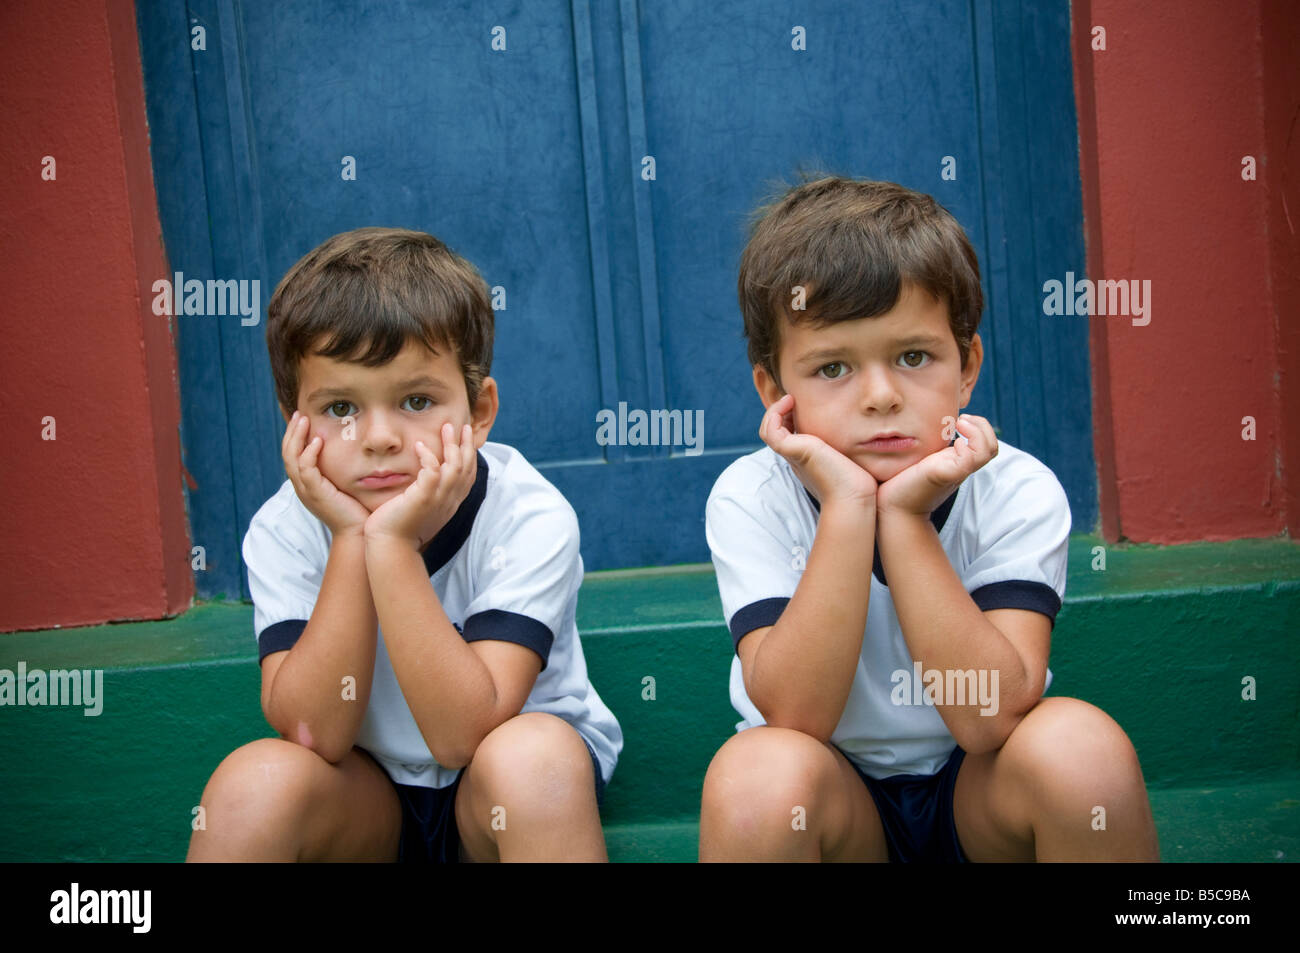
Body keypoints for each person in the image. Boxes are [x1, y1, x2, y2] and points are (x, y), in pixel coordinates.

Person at [700, 176, 1158, 862]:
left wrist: (908, 521)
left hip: (979, 798)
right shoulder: (748, 497)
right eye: (832, 367)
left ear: (966, 366)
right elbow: (796, 716)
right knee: (756, 779)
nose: (881, 396)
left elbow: (989, 715)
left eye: (913, 357)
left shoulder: (1017, 489)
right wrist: (851, 508)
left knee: (1081, 750)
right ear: (774, 390)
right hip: (834, 807)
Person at [187, 227, 621, 862]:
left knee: (530, 760)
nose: (379, 436)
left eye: (417, 400)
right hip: (368, 796)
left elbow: (464, 736)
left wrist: (390, 546)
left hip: (500, 788)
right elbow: (314, 732)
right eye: (340, 408)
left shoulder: (526, 513)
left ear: (478, 413)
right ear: (294, 423)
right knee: (252, 785)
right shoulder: (284, 529)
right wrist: (347, 541)